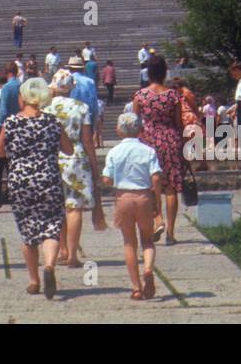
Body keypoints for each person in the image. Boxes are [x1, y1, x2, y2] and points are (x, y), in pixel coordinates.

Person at [0, 77, 70, 299]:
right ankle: (49, 266)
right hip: (48, 179)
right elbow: (69, 150)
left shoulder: (11, 122)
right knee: (51, 227)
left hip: (20, 182)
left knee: (28, 233)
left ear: (23, 98)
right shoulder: (52, 122)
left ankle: (34, 280)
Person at [102, 112, 162, 301]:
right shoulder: (148, 151)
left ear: (119, 131)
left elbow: (107, 178)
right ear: (140, 130)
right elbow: (156, 177)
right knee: (147, 240)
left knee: (129, 242)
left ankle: (136, 288)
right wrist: (156, 200)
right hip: (144, 196)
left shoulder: (114, 152)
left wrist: (113, 181)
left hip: (123, 197)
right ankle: (148, 269)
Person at [45, 69, 102, 266]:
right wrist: (95, 167)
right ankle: (72, 256)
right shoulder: (82, 107)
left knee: (57, 207)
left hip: (52, 157)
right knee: (74, 208)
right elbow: (87, 139)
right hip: (76, 157)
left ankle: (62, 249)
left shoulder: (46, 108)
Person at [132, 57, 184, 245]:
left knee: (152, 185)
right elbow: (179, 123)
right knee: (170, 188)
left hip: (148, 142)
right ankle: (170, 233)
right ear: (164, 72)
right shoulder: (173, 96)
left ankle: (158, 219)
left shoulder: (140, 96)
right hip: (170, 140)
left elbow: (135, 123)